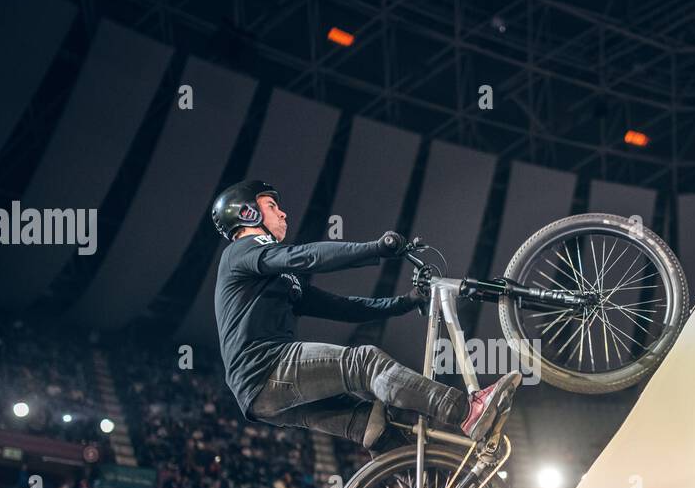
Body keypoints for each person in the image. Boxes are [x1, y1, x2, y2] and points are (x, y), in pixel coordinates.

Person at [211, 180, 521, 454]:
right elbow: (307, 257)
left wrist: (404, 303)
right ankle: (466, 411)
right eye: (272, 205)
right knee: (365, 363)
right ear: (248, 213)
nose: (283, 213)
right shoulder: (242, 250)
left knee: (375, 427)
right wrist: (376, 248)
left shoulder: (278, 279)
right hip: (267, 369)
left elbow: (345, 308)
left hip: (262, 396)